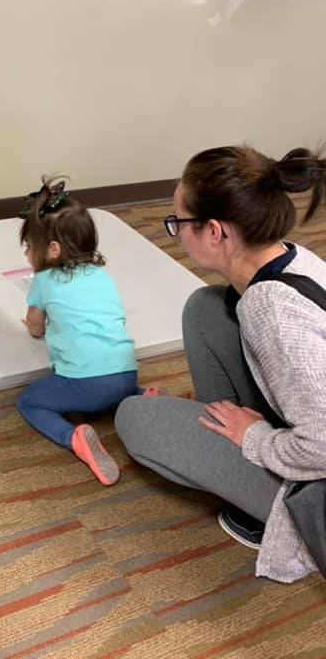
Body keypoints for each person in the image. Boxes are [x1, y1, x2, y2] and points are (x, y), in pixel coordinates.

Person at [115, 145, 326, 583]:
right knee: (207, 307)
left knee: (135, 417)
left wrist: (257, 439)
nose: (175, 231)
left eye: (178, 223)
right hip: (310, 421)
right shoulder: (289, 258)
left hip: (316, 480)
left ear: (215, 232)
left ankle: (273, 519)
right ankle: (226, 436)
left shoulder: (274, 313)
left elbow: (322, 446)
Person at [16, 177, 143, 486]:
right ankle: (143, 396)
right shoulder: (102, 275)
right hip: (128, 374)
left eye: (30, 247)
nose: (27, 254)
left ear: (54, 249)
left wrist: (37, 327)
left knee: (28, 401)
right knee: (112, 383)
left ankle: (74, 437)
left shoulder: (44, 281)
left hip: (86, 387)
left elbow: (34, 327)